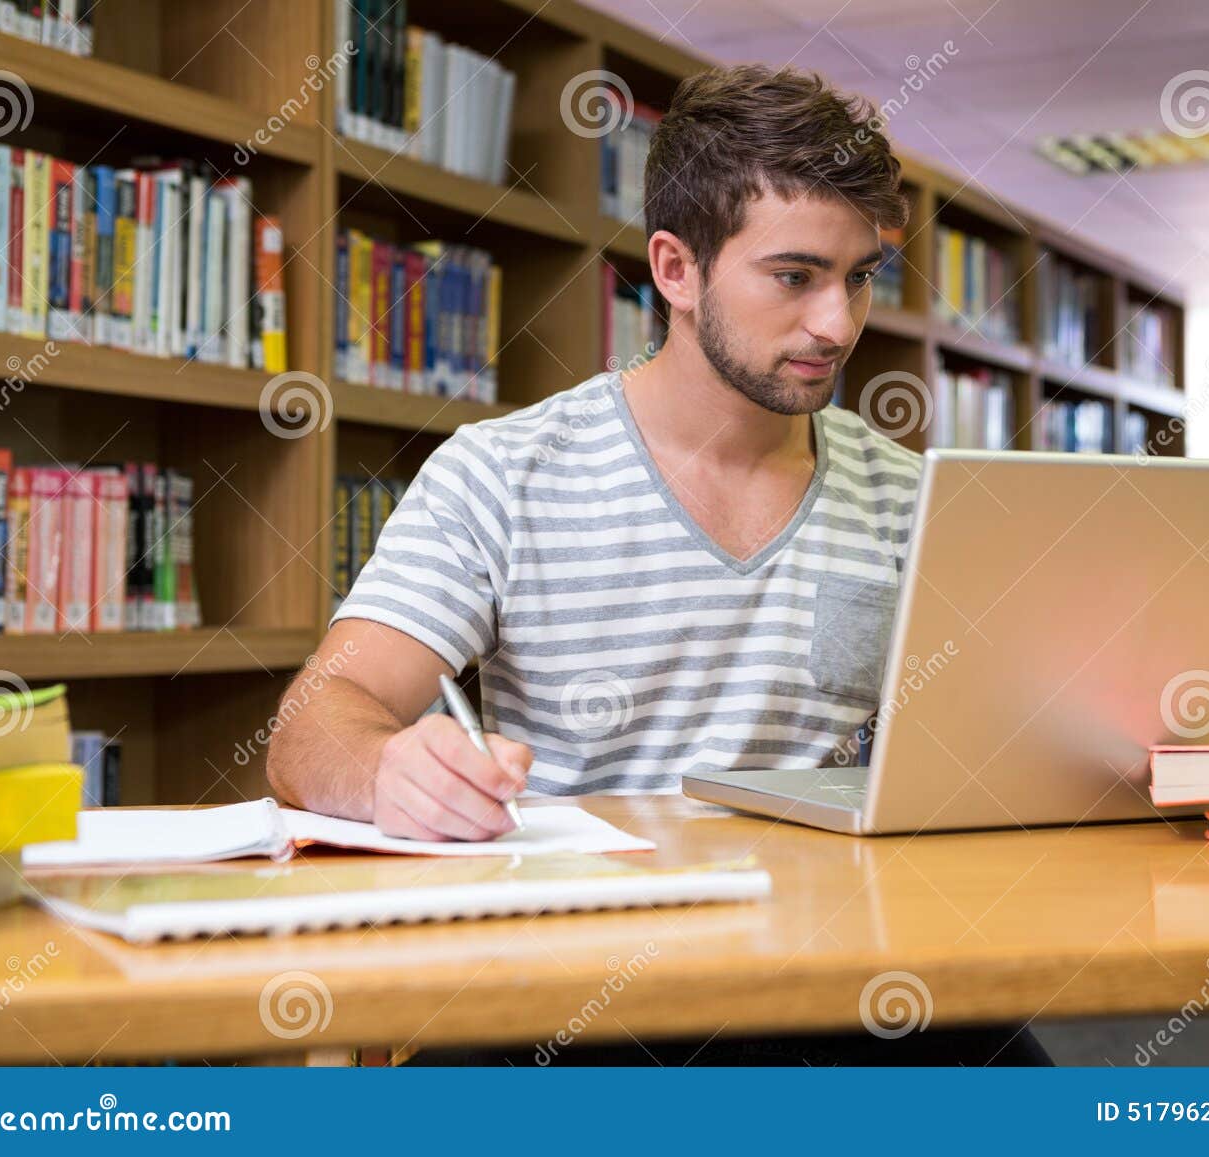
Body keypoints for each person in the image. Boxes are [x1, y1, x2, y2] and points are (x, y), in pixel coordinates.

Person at [266, 62, 1050, 1067]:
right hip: (573, 989)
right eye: (795, 275)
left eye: (859, 277)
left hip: (839, 974)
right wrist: (384, 768)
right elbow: (311, 723)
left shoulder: (914, 497)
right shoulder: (504, 473)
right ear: (675, 269)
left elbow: (993, 750)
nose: (838, 324)